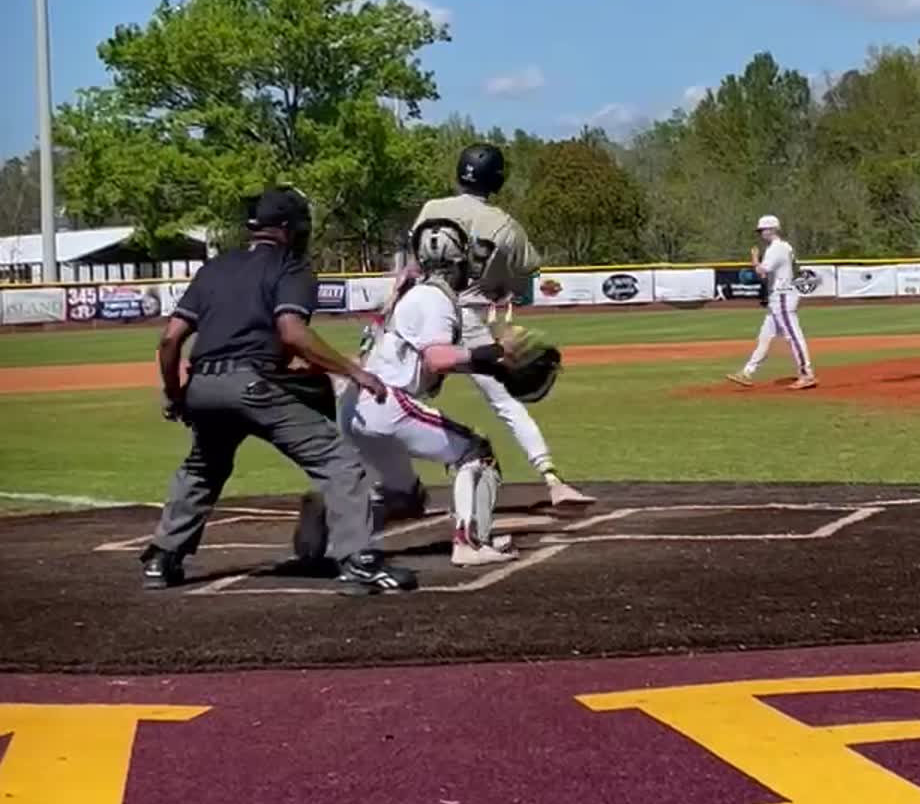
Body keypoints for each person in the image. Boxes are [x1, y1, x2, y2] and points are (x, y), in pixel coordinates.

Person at [141, 187, 418, 592]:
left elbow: (170, 341)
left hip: (203, 384)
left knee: (204, 466)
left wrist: (176, 393)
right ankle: (358, 562)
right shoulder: (290, 268)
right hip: (253, 382)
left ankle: (163, 560)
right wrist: (355, 373)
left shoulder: (214, 268)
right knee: (338, 460)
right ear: (288, 230)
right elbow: (293, 333)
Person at [298, 215, 530, 569]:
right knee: (476, 452)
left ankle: (329, 525)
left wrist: (490, 363)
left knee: (405, 498)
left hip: (356, 405)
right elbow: (438, 359)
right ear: (455, 259)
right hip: (387, 402)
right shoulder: (433, 298)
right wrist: (495, 354)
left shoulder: (410, 293)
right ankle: (471, 542)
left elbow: (431, 358)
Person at [409, 143, 591, 508]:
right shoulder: (505, 224)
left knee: (393, 396)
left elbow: (413, 260)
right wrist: (504, 286)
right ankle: (552, 479)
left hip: (423, 312)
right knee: (507, 402)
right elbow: (525, 278)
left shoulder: (432, 209)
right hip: (469, 318)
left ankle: (382, 483)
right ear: (498, 179)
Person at [727, 213, 817, 390]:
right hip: (779, 297)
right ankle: (747, 372)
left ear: (773, 229)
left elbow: (762, 271)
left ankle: (807, 374)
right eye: (760, 230)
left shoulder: (776, 248)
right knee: (765, 338)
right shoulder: (785, 247)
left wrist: (754, 260)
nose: (761, 233)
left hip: (782, 296)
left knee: (793, 336)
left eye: (763, 230)